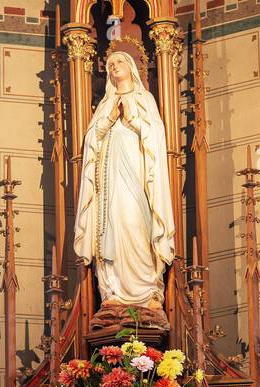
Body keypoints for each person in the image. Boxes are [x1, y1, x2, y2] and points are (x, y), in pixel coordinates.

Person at [72, 49, 174, 329]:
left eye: (119, 61)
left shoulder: (144, 99)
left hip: (137, 180)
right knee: (111, 228)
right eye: (110, 64)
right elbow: (91, 141)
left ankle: (148, 290)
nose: (114, 66)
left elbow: (155, 138)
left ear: (131, 67)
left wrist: (131, 119)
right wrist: (107, 120)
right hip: (109, 186)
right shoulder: (105, 104)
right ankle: (113, 291)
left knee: (135, 225)